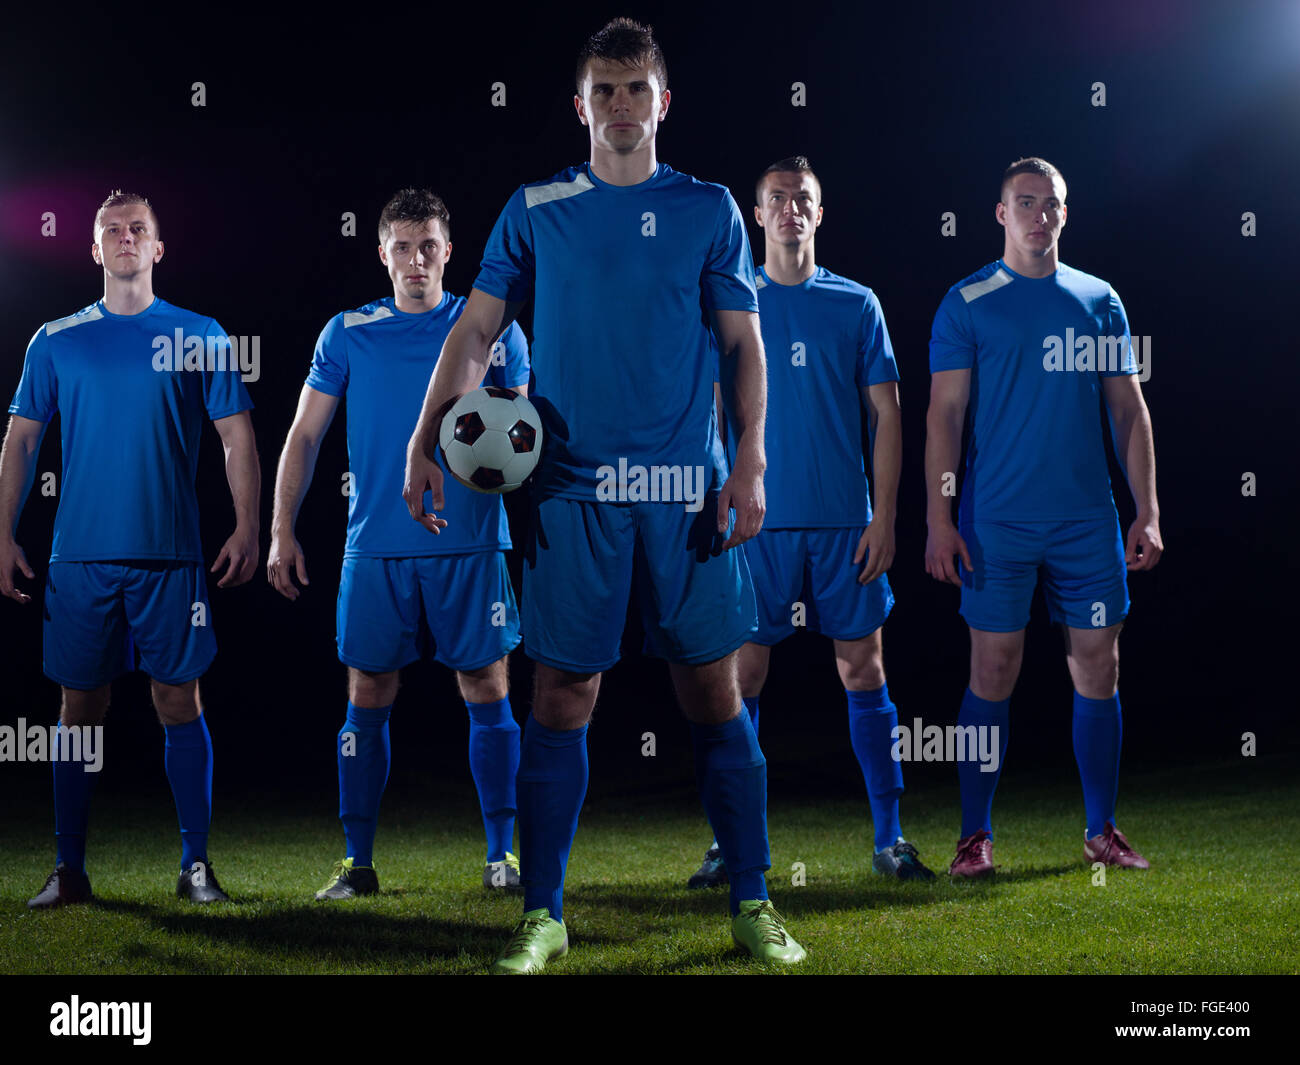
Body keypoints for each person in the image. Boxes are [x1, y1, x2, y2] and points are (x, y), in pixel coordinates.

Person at [404, 18, 805, 972]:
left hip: (685, 488)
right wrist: (426, 442)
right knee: (562, 692)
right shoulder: (536, 207)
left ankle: (752, 898)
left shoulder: (709, 209)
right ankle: (543, 912)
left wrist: (750, 458)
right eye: (603, 91)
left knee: (714, 689)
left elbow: (745, 346)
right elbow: (472, 336)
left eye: (636, 90)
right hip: (566, 492)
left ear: (663, 102)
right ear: (579, 104)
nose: (620, 107)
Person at [267, 188, 530, 900]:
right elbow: (304, 434)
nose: (416, 260)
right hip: (375, 544)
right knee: (367, 692)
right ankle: (358, 862)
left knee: (487, 684)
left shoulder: (492, 327)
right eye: (402, 248)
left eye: (429, 247)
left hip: (472, 542)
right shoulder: (348, 330)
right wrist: (280, 528)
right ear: (382, 254)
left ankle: (503, 855)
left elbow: (520, 430)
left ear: (450, 251)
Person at [1, 190, 259, 906]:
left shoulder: (199, 333)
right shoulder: (55, 338)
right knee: (78, 710)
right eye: (110, 230)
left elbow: (235, 433)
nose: (124, 238)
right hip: (79, 559)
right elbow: (21, 439)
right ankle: (69, 869)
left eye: (137, 229)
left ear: (157, 248)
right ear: (92, 249)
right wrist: (2, 532)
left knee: (180, 700)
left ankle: (196, 865)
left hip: (171, 557)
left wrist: (247, 524)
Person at [688, 156, 936, 889]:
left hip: (841, 524)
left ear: (819, 215)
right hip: (756, 524)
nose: (791, 209)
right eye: (776, 200)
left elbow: (887, 415)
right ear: (757, 215)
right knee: (741, 679)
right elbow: (703, 411)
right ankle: (726, 841)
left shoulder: (856, 303)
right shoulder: (732, 303)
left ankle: (890, 839)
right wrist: (713, 499)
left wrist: (885, 516)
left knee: (865, 669)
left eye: (804, 199)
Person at [924, 157, 1162, 877]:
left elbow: (1128, 410)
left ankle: (1101, 830)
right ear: (1000, 214)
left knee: (1098, 665)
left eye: (1050, 204)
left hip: (1087, 520)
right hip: (997, 519)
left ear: (1065, 212)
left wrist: (1146, 509)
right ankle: (974, 836)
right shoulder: (968, 299)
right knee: (992, 667)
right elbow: (944, 414)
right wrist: (938, 517)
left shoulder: (1098, 300)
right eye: (1024, 203)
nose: (1038, 216)